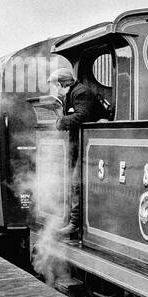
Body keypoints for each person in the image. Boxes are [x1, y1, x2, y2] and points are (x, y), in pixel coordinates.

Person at [51, 67, 111, 239]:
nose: (56, 90)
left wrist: (60, 122)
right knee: (72, 181)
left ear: (60, 83)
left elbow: (82, 116)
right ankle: (72, 220)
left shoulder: (80, 93)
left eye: (56, 86)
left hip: (90, 144)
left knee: (77, 182)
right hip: (79, 143)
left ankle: (75, 223)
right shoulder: (73, 93)